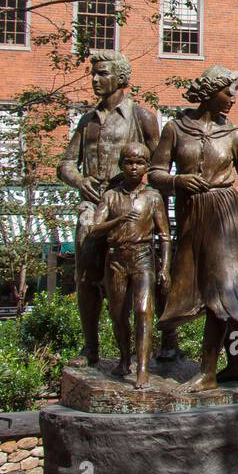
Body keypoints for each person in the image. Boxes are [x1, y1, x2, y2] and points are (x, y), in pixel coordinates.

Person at [149, 66, 238, 392]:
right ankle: (236, 364)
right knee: (217, 294)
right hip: (193, 216)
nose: (233, 99)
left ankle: (209, 370)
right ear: (210, 92)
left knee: (224, 293)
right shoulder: (176, 129)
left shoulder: (235, 134)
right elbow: (154, 173)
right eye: (228, 92)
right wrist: (178, 180)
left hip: (225, 215)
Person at [58, 51, 169, 364]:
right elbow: (66, 163)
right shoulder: (86, 121)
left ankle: (167, 342)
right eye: (94, 73)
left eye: (102, 73)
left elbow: (159, 164)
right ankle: (90, 348)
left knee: (152, 275)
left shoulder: (141, 116)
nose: (95, 79)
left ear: (121, 78)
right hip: (94, 204)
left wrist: (156, 207)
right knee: (85, 274)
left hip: (133, 201)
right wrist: (79, 181)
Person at [89, 143, 170, 389]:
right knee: (118, 314)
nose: (134, 167)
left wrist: (165, 268)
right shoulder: (110, 196)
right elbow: (93, 229)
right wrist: (118, 219)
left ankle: (143, 369)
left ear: (147, 167)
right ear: (121, 164)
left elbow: (164, 236)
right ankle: (125, 359)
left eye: (139, 163)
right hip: (116, 259)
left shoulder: (153, 197)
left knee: (143, 311)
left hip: (143, 256)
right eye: (129, 162)